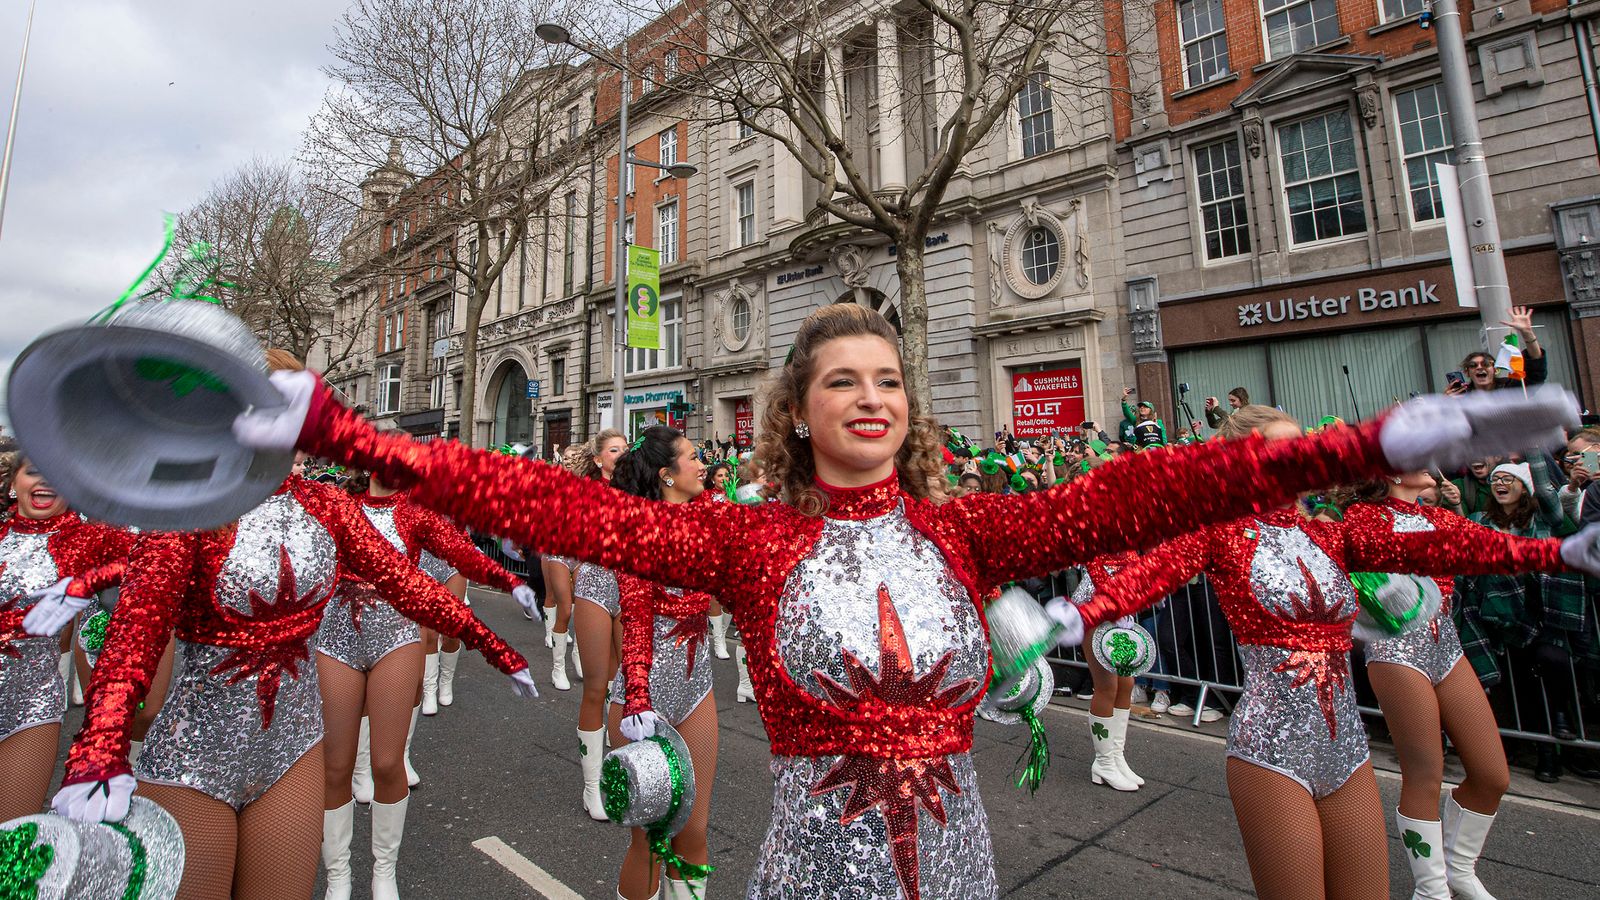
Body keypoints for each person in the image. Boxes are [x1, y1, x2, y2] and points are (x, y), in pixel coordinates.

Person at [234, 303, 1578, 900]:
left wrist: (1378, 445)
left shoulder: (971, 532)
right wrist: (358, 432)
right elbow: (555, 507)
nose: (870, 395)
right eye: (841, 380)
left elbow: (1159, 491)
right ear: (798, 412)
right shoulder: (752, 544)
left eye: (888, 378)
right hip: (816, 870)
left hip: (963, 868)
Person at [47, 352, 537, 900]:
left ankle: (372, 874)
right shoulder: (193, 509)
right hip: (197, 755)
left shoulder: (325, 504)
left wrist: (494, 646)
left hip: (293, 749)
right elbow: (136, 633)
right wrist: (100, 748)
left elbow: (405, 582)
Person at [1071, 406, 1600, 900]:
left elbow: (1441, 544)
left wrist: (1553, 551)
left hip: (1347, 750)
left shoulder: (1331, 533)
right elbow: (1144, 578)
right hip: (1271, 751)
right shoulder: (1219, 533)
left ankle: (1448, 878)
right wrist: (1069, 620)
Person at [316, 472, 534, 900]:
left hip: (396, 637)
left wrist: (510, 581)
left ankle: (384, 872)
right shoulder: (336, 506)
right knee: (336, 766)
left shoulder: (414, 513)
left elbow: (461, 552)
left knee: (387, 762)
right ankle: (338, 877)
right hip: (336, 639)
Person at [1343, 473, 1552, 899]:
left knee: (1492, 774)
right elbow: (1371, 554)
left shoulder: (1435, 516)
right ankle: (1431, 889)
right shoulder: (1364, 517)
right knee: (1425, 774)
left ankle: (1459, 870)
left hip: (1447, 648)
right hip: (1397, 652)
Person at [610, 426, 720, 900]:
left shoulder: (712, 515)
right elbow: (634, 621)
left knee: (695, 832)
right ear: (667, 475)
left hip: (697, 688)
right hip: (645, 695)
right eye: (694, 458)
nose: (703, 465)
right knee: (651, 840)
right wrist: (638, 696)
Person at [0, 458, 131, 821]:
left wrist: (91, 583)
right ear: (14, 485)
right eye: (33, 471)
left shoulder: (89, 540)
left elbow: (153, 560)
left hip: (27, 714)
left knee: (10, 838)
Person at [571, 428, 628, 821]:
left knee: (626, 680)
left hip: (629, 589)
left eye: (625, 449)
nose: (620, 455)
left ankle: (624, 773)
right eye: (613, 450)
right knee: (595, 687)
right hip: (594, 587)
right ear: (598, 459)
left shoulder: (638, 492)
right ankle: (593, 787)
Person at [1072, 552, 1145, 793]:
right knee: (1107, 686)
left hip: (1122, 605)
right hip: (1096, 605)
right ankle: (1103, 763)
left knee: (1126, 683)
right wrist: (1110, 596)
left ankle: (1116, 757)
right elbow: (1091, 559)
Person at [1447, 307, 1548, 394]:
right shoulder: (1462, 397)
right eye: (1473, 365)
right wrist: (1446, 403)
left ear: (1495, 369)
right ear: (1467, 372)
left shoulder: (1510, 389)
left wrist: (1527, 332)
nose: (1479, 367)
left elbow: (1536, 371)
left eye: (1486, 364)